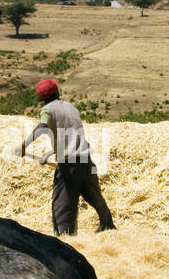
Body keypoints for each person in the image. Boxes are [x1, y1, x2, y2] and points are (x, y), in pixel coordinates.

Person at [17, 78, 115, 235]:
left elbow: (42, 126)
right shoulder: (71, 107)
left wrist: (24, 145)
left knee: (62, 205)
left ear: (41, 98)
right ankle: (108, 227)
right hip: (85, 160)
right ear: (57, 92)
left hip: (69, 165)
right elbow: (71, 136)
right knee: (95, 197)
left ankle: (66, 239)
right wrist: (49, 154)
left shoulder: (47, 111)